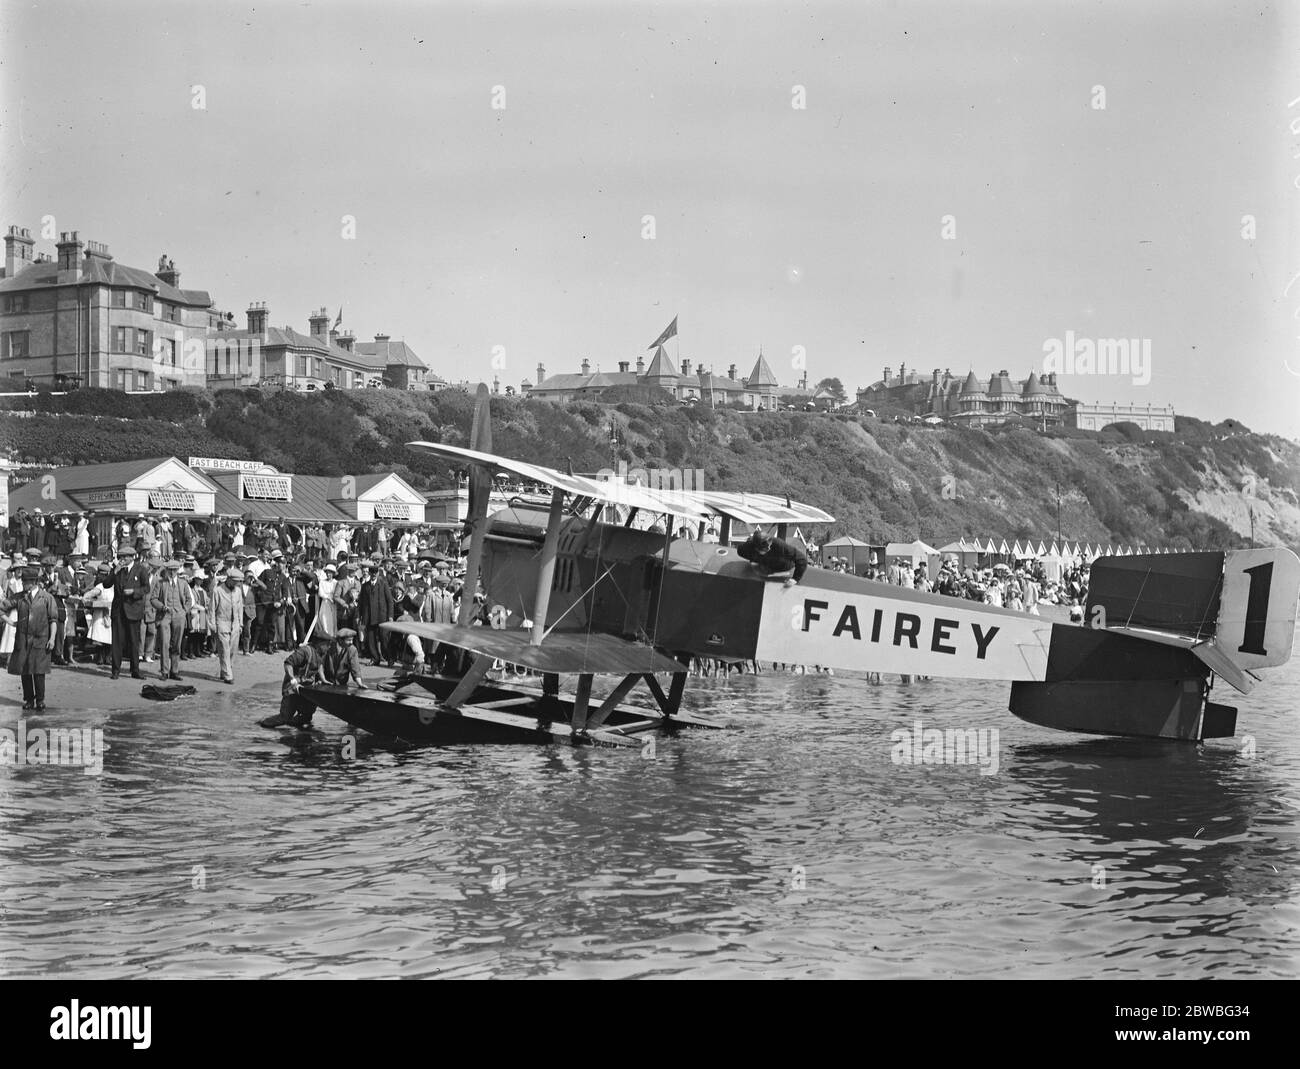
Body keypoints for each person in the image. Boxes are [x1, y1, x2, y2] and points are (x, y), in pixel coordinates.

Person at [0, 566, 58, 710]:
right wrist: (11, 622)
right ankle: (28, 700)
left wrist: (52, 639)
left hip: (41, 639)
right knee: (25, 671)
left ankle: (40, 700)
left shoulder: (47, 597)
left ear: (33, 583)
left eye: (25, 581)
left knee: (39, 672)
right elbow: (1, 608)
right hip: (23, 639)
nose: (23, 584)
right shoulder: (19, 597)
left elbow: (53, 620)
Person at [260, 638, 330, 729]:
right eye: (327, 644)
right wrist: (293, 680)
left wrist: (323, 679)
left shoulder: (322, 653)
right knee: (284, 718)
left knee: (306, 716)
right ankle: (264, 723)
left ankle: (295, 731)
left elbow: (319, 664)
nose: (329, 647)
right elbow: (288, 663)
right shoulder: (305, 652)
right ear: (319, 644)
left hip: (306, 689)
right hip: (293, 688)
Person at [106, 545, 150, 679]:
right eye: (121, 557)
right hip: (118, 610)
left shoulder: (140, 570)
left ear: (132, 557)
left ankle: (135, 670)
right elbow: (106, 584)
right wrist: (115, 571)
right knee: (117, 641)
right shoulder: (117, 570)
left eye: (125, 557)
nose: (122, 559)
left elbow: (146, 588)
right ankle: (115, 670)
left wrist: (134, 592)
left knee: (133, 641)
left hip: (133, 609)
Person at [150, 560, 192, 681]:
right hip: (164, 616)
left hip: (179, 615)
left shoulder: (183, 583)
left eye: (174, 570)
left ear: (177, 570)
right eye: (170, 570)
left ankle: (174, 671)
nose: (172, 572)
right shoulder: (160, 583)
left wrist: (185, 610)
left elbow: (189, 599)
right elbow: (153, 599)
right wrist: (162, 607)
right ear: (167, 570)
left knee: (177, 644)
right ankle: (164, 671)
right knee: (164, 643)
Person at [209, 566, 245, 684]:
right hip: (222, 622)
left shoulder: (238, 591)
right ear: (228, 579)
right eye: (234, 581)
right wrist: (212, 624)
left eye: (237, 582)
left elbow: (240, 608)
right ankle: (228, 675)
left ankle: (224, 671)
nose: (236, 584)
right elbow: (212, 609)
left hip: (235, 624)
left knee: (233, 650)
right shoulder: (217, 590)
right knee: (224, 650)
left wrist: (240, 624)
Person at [737, 530, 808, 587]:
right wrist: (754, 559)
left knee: (774, 555)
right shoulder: (746, 548)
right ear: (756, 548)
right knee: (760, 557)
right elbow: (739, 551)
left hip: (784, 564)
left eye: (769, 544)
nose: (769, 548)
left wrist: (795, 579)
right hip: (766, 562)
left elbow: (802, 559)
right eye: (765, 547)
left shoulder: (779, 544)